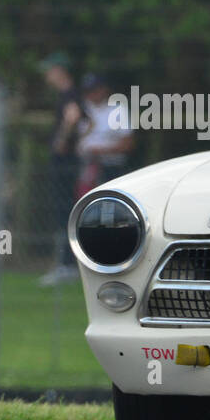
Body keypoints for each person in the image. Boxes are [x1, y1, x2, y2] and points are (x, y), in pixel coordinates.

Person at [38, 51, 83, 286]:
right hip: (68, 160)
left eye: (49, 70)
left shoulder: (69, 94)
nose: (47, 75)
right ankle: (65, 263)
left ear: (59, 71)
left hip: (65, 161)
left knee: (64, 210)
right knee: (63, 209)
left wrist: (62, 141)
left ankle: (66, 264)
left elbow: (73, 116)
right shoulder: (68, 94)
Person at [75, 72, 133, 195]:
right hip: (84, 166)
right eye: (86, 91)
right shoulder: (82, 109)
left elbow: (127, 145)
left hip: (111, 167)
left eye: (93, 91)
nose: (89, 95)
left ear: (103, 90)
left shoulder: (118, 110)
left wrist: (99, 151)